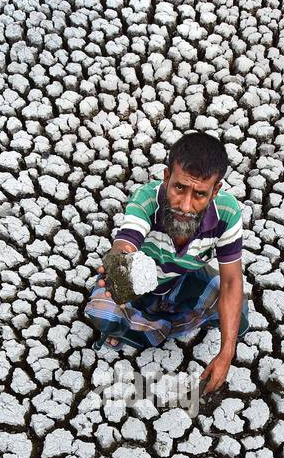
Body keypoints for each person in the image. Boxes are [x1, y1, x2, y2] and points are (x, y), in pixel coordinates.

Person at [84, 131, 250, 394]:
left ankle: (143, 328)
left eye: (199, 194)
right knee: (102, 312)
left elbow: (231, 280)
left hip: (183, 279)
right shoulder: (147, 200)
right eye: (179, 188)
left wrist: (226, 353)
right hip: (142, 290)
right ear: (166, 177)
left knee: (238, 310)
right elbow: (127, 239)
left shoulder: (227, 213)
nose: (185, 205)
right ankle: (163, 324)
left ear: (216, 191)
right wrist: (120, 262)